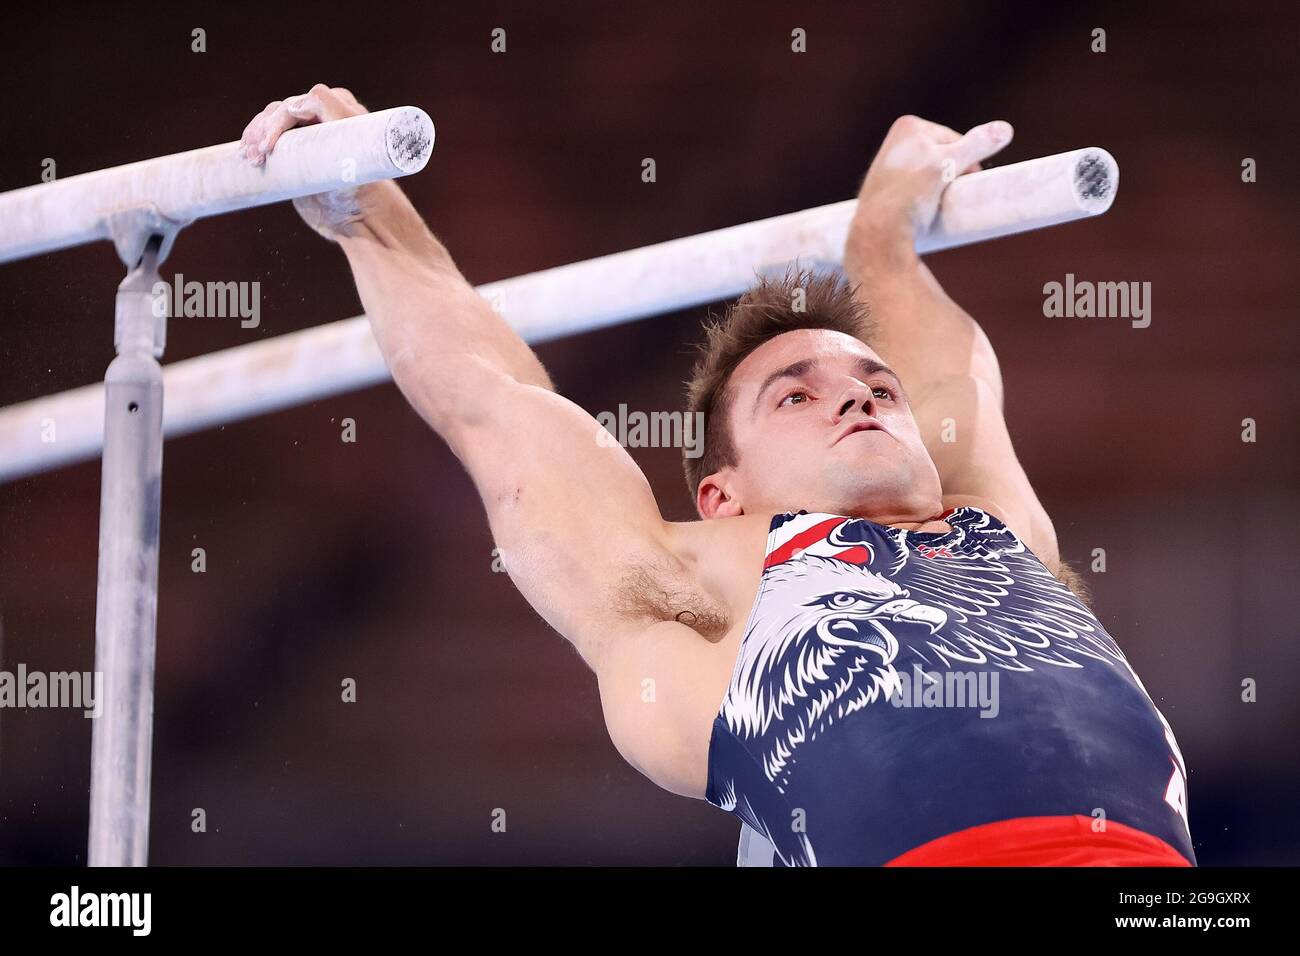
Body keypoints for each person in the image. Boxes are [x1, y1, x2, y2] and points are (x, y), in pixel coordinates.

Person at [240, 85, 1195, 867]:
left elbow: (952, 373)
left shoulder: (999, 531)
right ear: (722, 498)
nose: (858, 399)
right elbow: (490, 405)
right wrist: (368, 212)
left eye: (875, 384)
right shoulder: (691, 582)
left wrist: (882, 231)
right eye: (795, 396)